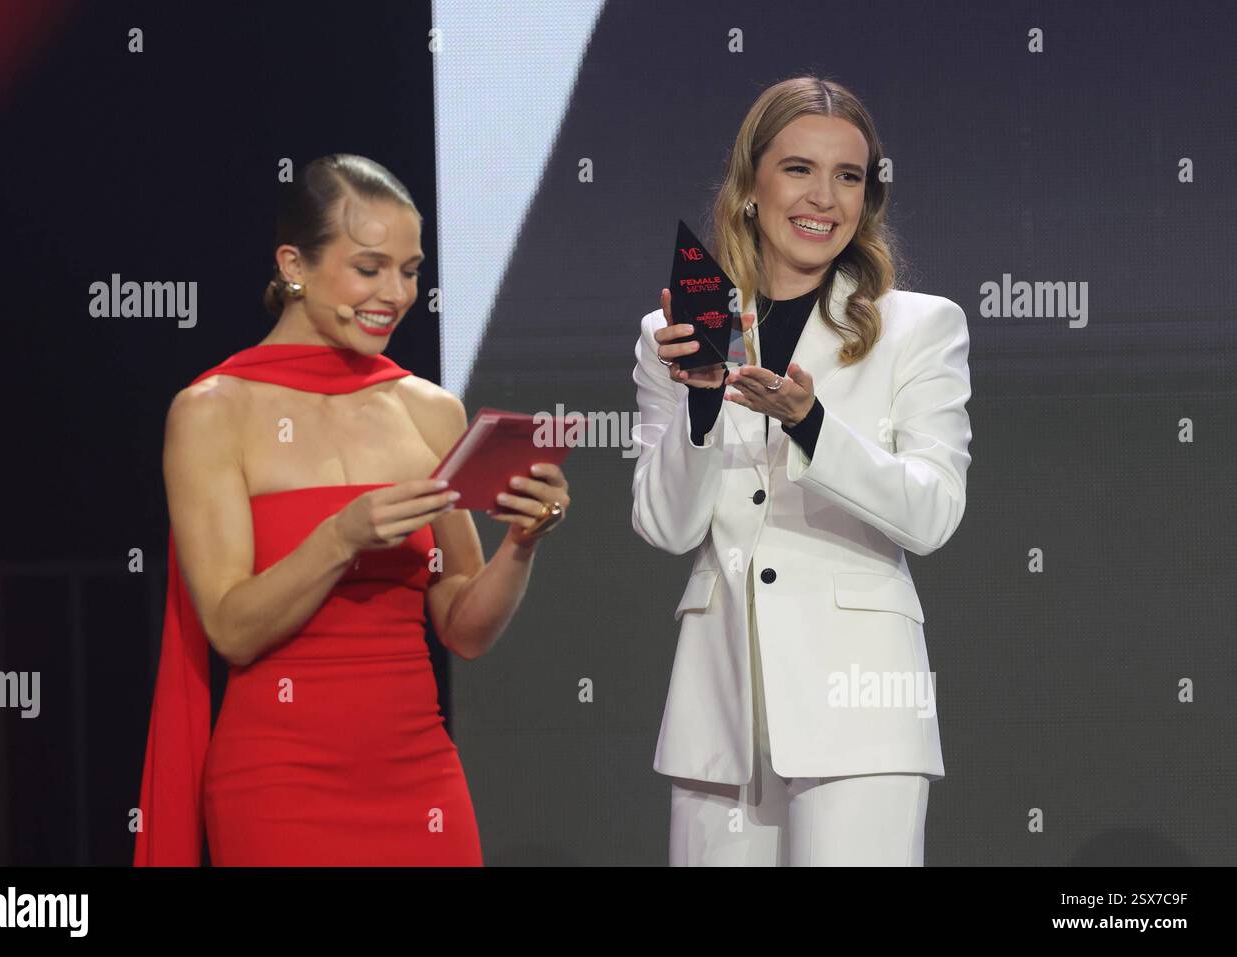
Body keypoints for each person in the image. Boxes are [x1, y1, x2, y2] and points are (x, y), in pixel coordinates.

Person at [134, 154, 571, 866]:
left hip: (419, 779)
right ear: (293, 265)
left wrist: (522, 543)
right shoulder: (213, 412)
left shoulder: (429, 410)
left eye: (410, 269)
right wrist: (339, 536)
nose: (395, 293)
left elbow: (463, 628)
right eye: (369, 268)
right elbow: (231, 628)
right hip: (279, 785)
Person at [630, 76, 972, 865]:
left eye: (848, 176)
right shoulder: (676, 332)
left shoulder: (918, 328)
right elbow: (666, 523)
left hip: (862, 710)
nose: (824, 197)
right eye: (797, 169)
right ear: (751, 184)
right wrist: (703, 406)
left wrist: (810, 423)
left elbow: (931, 513)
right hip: (720, 716)